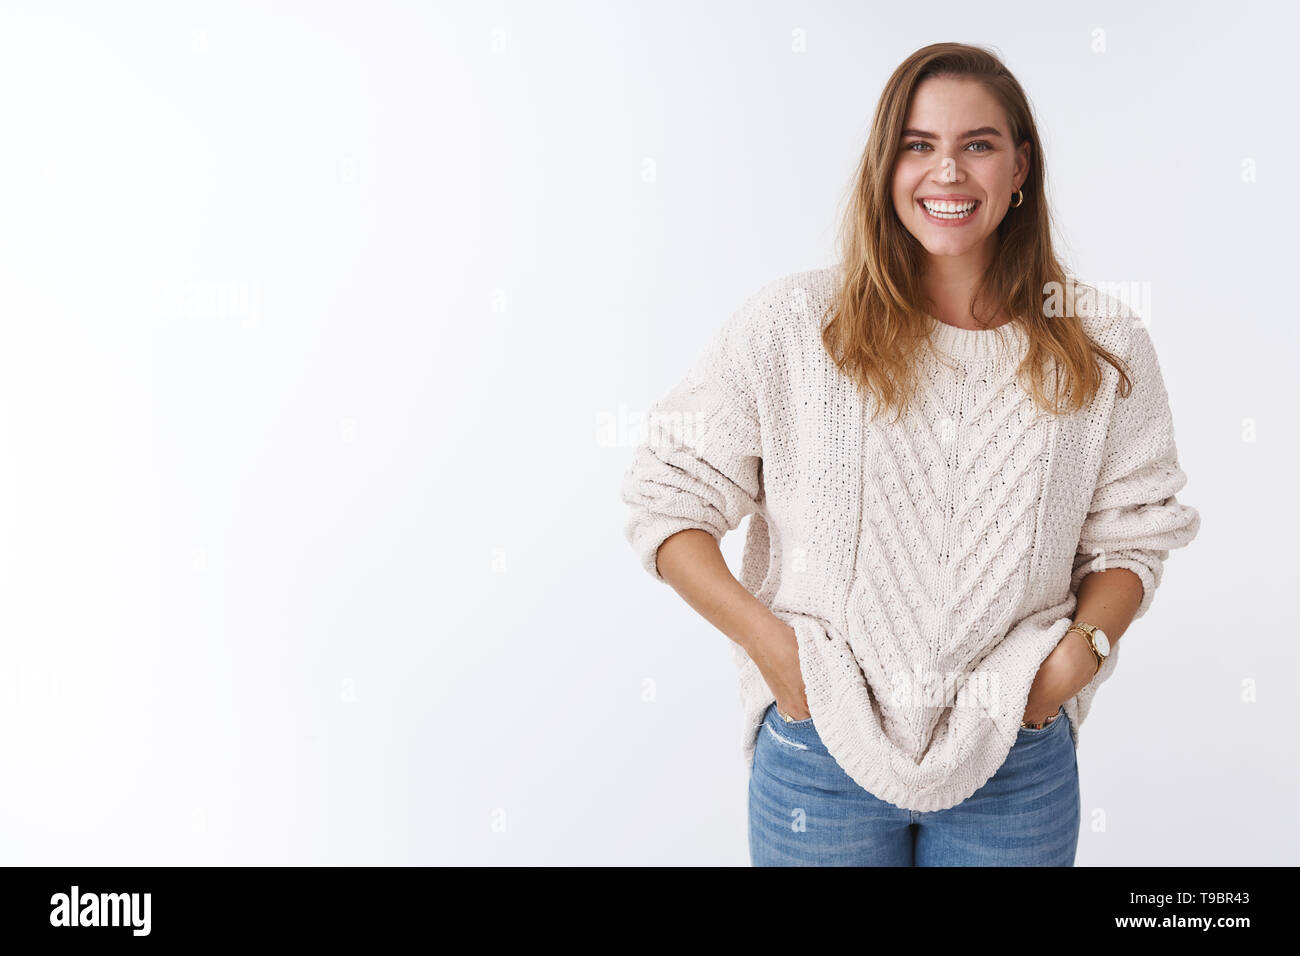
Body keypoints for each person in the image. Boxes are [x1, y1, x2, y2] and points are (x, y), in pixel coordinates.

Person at [619, 42, 1201, 866]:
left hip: (1015, 757)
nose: (948, 173)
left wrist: (1071, 667)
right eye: (919, 145)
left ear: (1020, 166)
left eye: (979, 144)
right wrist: (778, 655)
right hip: (818, 752)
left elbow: (1134, 537)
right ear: (885, 166)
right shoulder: (793, 326)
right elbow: (666, 500)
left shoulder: (1099, 342)